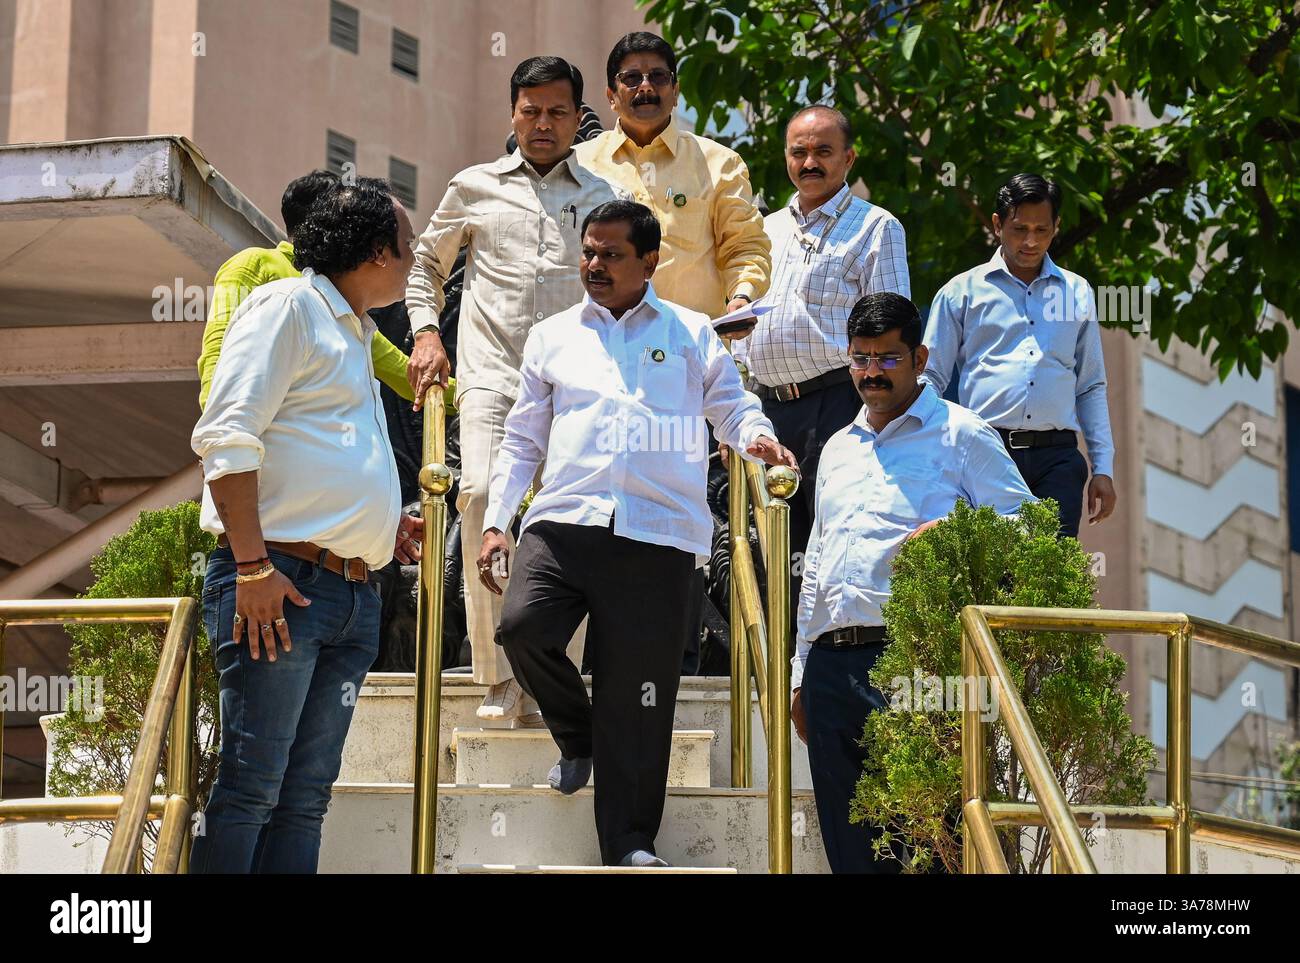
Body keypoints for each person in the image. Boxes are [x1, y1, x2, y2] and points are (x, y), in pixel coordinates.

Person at [478, 200, 796, 867]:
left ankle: (629, 841)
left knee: (641, 695)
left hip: (658, 534)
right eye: (588, 252)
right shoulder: (553, 334)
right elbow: (523, 435)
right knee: (522, 627)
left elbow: (730, 405)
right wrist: (496, 521)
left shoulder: (690, 332)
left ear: (650, 261)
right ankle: (578, 733)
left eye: (611, 254)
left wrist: (757, 438)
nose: (594, 265)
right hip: (563, 522)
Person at [190, 178, 423, 873]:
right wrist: (253, 565)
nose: (412, 264)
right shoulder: (286, 304)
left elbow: (322, 448)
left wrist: (379, 527)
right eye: (408, 251)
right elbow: (227, 436)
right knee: (251, 789)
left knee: (305, 798)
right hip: (279, 583)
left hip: (350, 594)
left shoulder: (353, 329)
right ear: (377, 253)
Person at [405, 56, 617, 722]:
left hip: (580, 382)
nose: (543, 123)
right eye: (530, 110)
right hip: (494, 377)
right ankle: (497, 676)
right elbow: (424, 268)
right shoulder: (473, 186)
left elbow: (632, 287)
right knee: (479, 499)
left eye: (557, 112)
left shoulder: (605, 195)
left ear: (578, 118)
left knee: (574, 520)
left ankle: (554, 677)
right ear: (513, 114)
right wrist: (426, 335)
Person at [792, 292, 1034, 873]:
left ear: (920, 357)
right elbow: (818, 563)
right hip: (831, 668)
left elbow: (1029, 525)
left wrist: (957, 531)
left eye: (887, 358)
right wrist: (801, 675)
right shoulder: (836, 448)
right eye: (860, 357)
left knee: (927, 849)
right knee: (852, 851)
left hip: (916, 661)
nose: (872, 372)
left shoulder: (962, 433)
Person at [736, 104, 910, 627]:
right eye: (799, 152)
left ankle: (818, 678)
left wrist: (887, 419)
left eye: (823, 152)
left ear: (849, 158)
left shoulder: (876, 228)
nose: (809, 162)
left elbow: (892, 329)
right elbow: (741, 331)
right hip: (766, 410)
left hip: (840, 406)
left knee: (835, 543)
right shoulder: (762, 230)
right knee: (763, 549)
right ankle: (772, 680)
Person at [922, 173, 1116, 538]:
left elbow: (1090, 385)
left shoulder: (1077, 292)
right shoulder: (960, 292)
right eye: (1019, 228)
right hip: (984, 452)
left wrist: (1102, 468)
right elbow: (930, 378)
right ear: (998, 224)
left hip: (1057, 458)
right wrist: (927, 455)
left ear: (1056, 227)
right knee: (991, 576)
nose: (1030, 241)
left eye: (1042, 230)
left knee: (1050, 576)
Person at [575, 31, 771, 319]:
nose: (645, 87)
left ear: (676, 91)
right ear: (611, 96)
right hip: (600, 346)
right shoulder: (580, 163)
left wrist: (742, 296)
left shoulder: (719, 163)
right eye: (631, 78)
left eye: (658, 77)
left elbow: (744, 246)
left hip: (691, 349)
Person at [196, 169, 414, 409]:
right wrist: (218, 420)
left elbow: (402, 371)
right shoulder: (254, 264)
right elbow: (220, 347)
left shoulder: (343, 297)